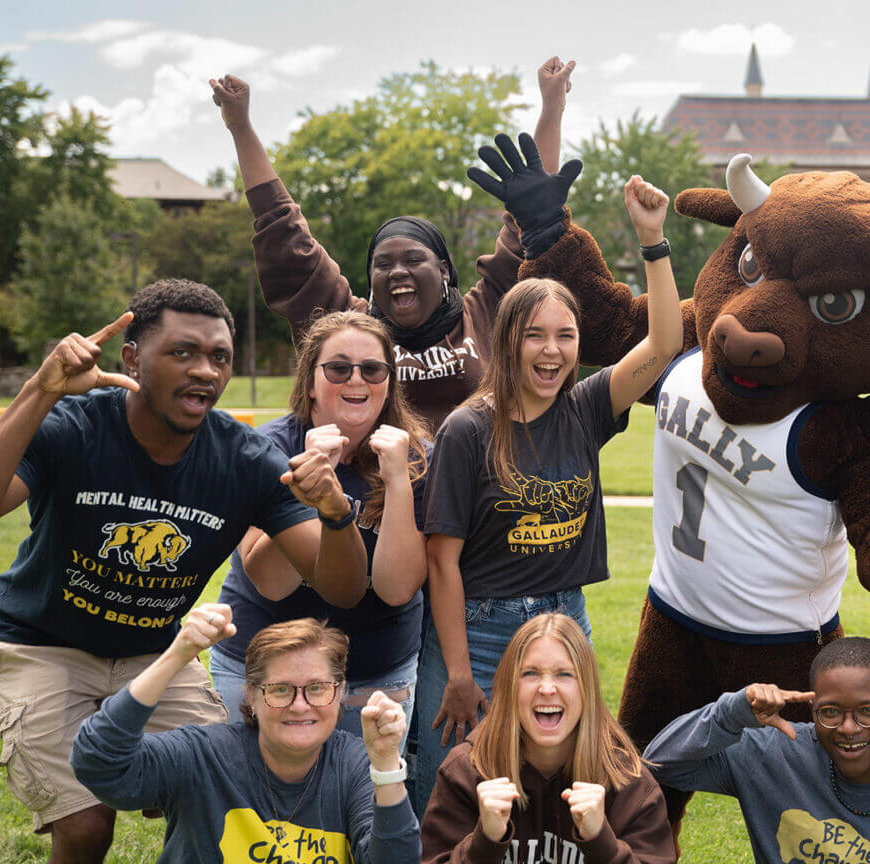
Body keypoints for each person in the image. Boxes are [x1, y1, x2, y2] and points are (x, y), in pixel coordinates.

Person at [0, 280, 368, 863]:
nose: (205, 371)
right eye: (182, 352)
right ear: (132, 359)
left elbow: (341, 588)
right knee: (88, 822)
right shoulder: (75, 427)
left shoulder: (244, 460)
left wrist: (336, 510)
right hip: (45, 645)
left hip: (154, 653)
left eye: (219, 356)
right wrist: (38, 394)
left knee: (235, 783)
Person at [413, 173, 683, 815]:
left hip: (566, 622)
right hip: (482, 630)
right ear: (509, 340)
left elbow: (666, 343)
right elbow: (441, 561)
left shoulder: (585, 409)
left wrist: (654, 243)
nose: (552, 350)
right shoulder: (468, 428)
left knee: (555, 794)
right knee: (453, 792)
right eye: (536, 335)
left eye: (565, 336)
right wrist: (456, 671)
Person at [210, 56, 577, 429]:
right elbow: (284, 234)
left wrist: (552, 107)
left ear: (444, 270)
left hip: (474, 485)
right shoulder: (349, 327)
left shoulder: (485, 313)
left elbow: (530, 215)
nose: (397, 271)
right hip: (376, 486)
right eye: (383, 265)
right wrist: (240, 127)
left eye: (414, 259)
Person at [210, 311, 431, 738]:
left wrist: (398, 481)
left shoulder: (418, 457)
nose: (356, 379)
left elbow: (396, 587)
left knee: (363, 801)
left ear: (388, 385)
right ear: (310, 382)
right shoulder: (264, 450)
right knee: (243, 801)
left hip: (373, 674)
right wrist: (307, 494)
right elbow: (271, 581)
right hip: (258, 670)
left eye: (372, 369)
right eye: (338, 368)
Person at [72, 606, 418, 862]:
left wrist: (387, 763)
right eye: (280, 690)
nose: (300, 705)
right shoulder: (204, 756)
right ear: (251, 696)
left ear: (340, 692)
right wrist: (176, 656)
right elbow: (98, 764)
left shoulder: (354, 764)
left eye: (317, 688)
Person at [644, 636, 870, 864]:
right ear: (813, 711)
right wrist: (730, 714)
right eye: (831, 712)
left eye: (868, 711)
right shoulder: (775, 754)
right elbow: (659, 764)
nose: (849, 728)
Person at [420, 613, 674, 864]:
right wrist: (483, 842)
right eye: (530, 673)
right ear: (510, 687)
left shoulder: (626, 780)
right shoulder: (467, 771)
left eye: (564, 674)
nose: (547, 688)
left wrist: (602, 842)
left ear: (587, 689)